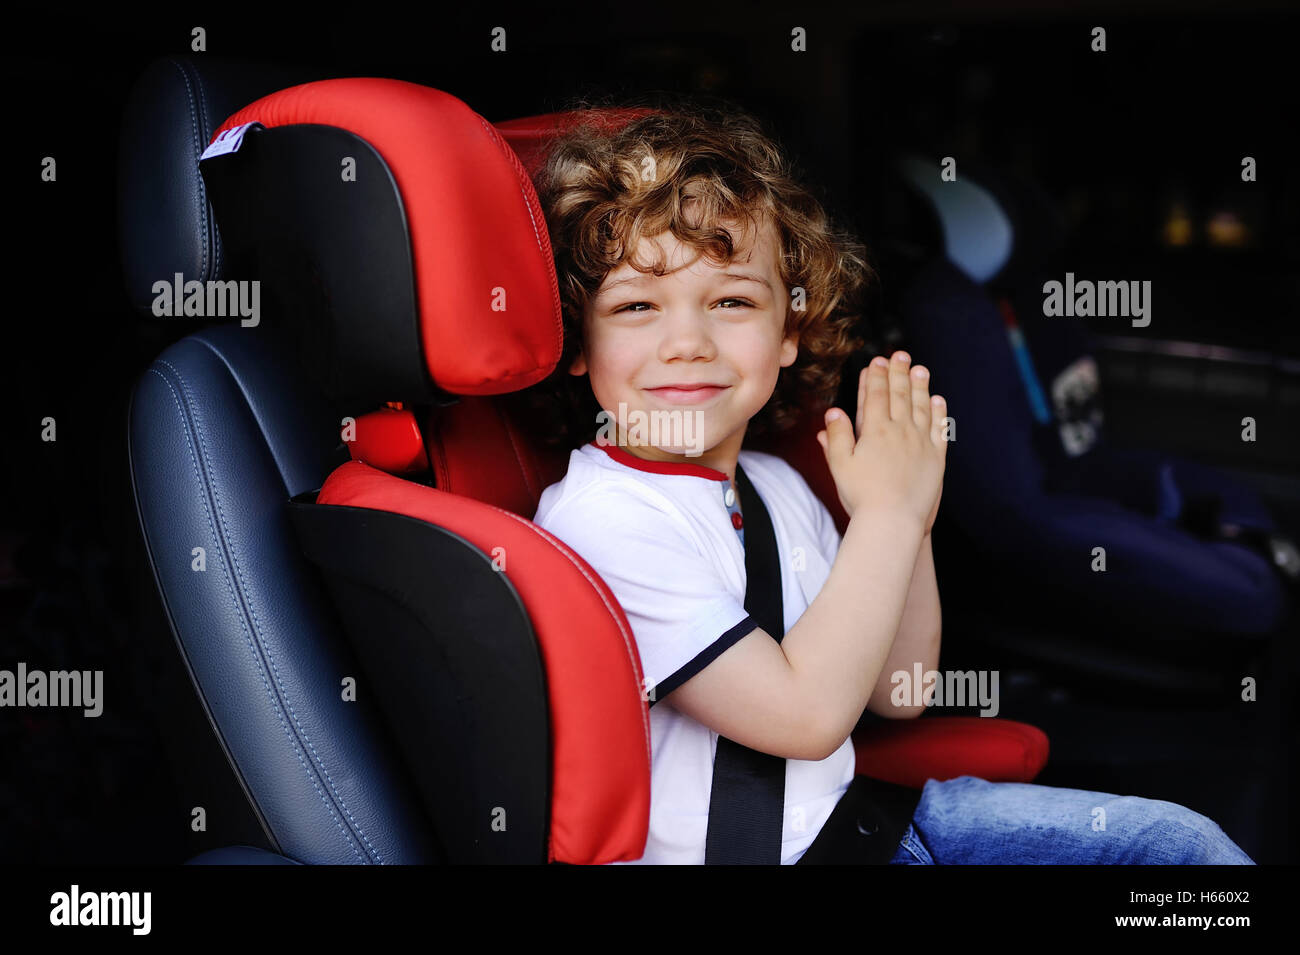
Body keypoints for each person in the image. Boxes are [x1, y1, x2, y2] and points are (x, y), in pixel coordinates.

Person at [522, 100, 1253, 865]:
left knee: (1180, 848)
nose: (686, 343)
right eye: (636, 306)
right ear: (581, 341)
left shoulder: (775, 485)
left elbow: (899, 688)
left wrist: (914, 513)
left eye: (732, 300)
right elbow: (806, 715)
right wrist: (886, 517)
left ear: (788, 333)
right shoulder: (606, 521)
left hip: (871, 825)